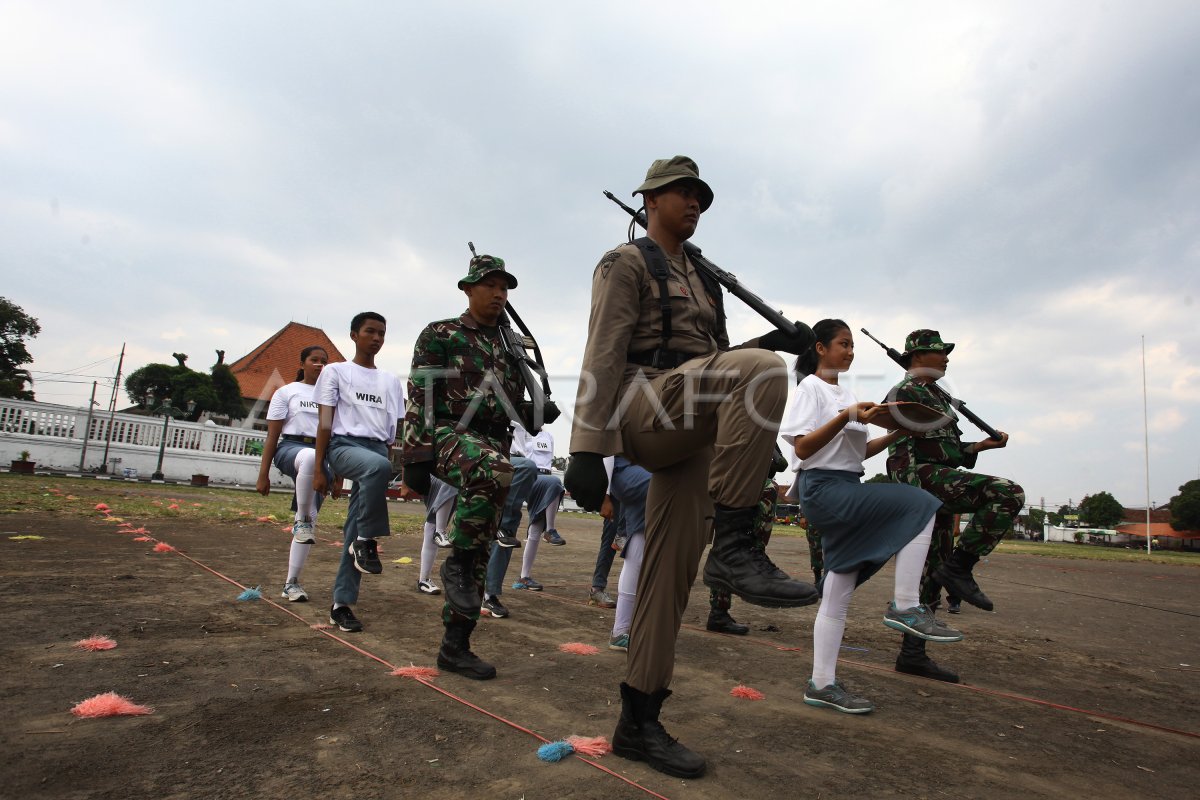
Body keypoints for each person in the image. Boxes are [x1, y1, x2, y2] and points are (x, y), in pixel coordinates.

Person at [565, 155, 818, 779]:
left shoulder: (702, 278)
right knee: (762, 374)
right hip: (642, 404)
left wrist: (768, 345)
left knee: (668, 579)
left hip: (689, 415)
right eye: (681, 193)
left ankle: (639, 721)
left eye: (700, 195)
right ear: (649, 200)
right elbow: (603, 349)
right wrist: (586, 447)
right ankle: (735, 544)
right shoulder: (624, 262)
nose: (694, 203)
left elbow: (716, 361)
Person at [781, 319, 961, 714]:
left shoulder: (844, 392)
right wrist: (846, 416)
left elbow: (856, 455)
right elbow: (805, 449)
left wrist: (901, 431)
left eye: (851, 345)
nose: (849, 350)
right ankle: (905, 604)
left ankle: (821, 684)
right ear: (820, 347)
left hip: (846, 484)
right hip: (824, 490)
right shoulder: (810, 389)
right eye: (843, 344)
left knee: (837, 590)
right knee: (919, 503)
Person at [401, 254, 524, 680]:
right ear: (467, 289)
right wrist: (413, 457)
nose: (498, 294)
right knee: (494, 473)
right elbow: (421, 394)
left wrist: (535, 410)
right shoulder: (441, 334)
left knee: (482, 544)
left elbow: (511, 402)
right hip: (449, 433)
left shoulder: (509, 344)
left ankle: (455, 646)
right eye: (489, 285)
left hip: (491, 442)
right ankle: (454, 563)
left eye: (504, 287)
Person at [885, 329, 1024, 682]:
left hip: (940, 479)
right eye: (939, 352)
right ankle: (961, 568)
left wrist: (981, 447)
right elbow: (903, 454)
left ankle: (913, 653)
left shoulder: (937, 396)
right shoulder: (905, 393)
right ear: (917, 357)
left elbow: (949, 451)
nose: (946, 357)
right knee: (1008, 493)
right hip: (922, 482)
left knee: (933, 569)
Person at [312, 313, 405, 634]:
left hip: (377, 453)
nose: (376, 337)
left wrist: (393, 464)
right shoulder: (335, 372)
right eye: (370, 331)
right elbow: (325, 423)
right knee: (377, 471)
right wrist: (320, 468)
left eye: (382, 333)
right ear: (354, 335)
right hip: (343, 446)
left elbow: (393, 432)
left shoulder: (391, 381)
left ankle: (341, 605)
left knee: (353, 530)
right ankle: (367, 539)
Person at [256, 345, 332, 603]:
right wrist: (263, 473)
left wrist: (338, 474)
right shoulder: (287, 392)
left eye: (324, 361)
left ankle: (292, 583)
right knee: (309, 461)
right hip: (291, 448)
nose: (319, 365)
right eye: (314, 360)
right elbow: (272, 435)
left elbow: (335, 435)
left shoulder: (332, 396)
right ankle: (300, 520)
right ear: (302, 363)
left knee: (312, 517)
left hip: (321, 455)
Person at [479, 454, 537, 618]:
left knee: (552, 482)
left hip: (522, 469)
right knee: (527, 467)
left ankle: (489, 594)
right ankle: (503, 523)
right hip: (493, 455)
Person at [417, 475, 459, 594]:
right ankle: (440, 532)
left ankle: (423, 580)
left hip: (462, 477)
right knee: (433, 524)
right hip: (437, 476)